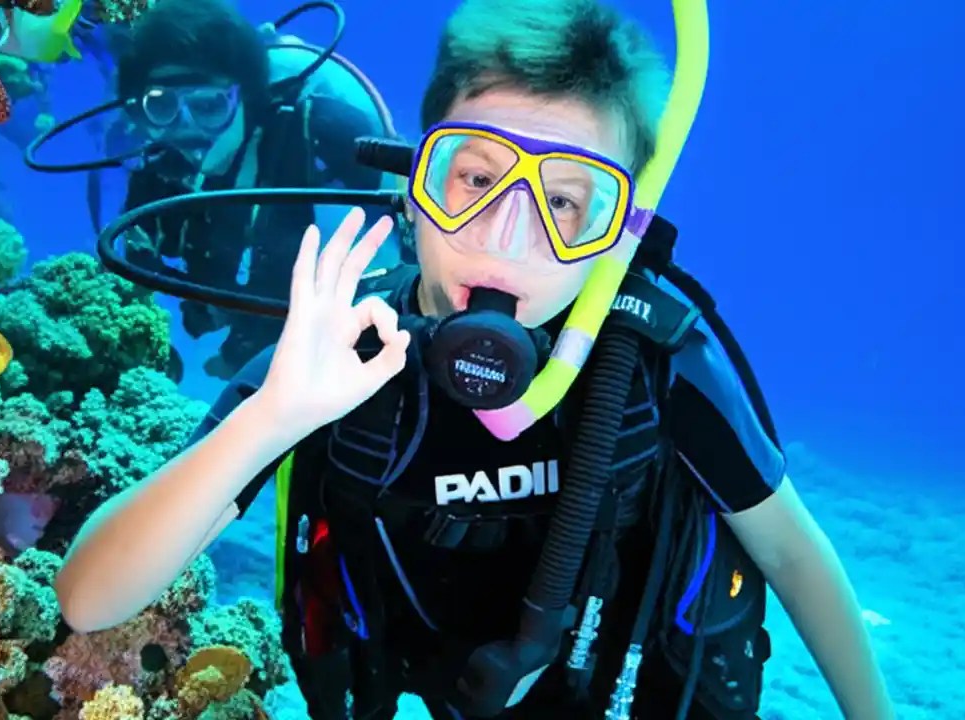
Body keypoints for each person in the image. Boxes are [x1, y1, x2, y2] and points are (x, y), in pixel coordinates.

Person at [54, 0, 896, 718]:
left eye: (566, 201)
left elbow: (789, 553)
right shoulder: (344, 350)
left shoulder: (655, 358)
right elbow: (91, 599)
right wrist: (275, 416)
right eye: (474, 178)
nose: (505, 238)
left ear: (621, 230)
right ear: (417, 180)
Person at [106, 0, 396, 381]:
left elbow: (416, 215)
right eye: (161, 106)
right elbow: (137, 262)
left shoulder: (326, 129)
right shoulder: (160, 166)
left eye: (208, 105)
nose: (185, 127)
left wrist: (244, 349)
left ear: (248, 96)